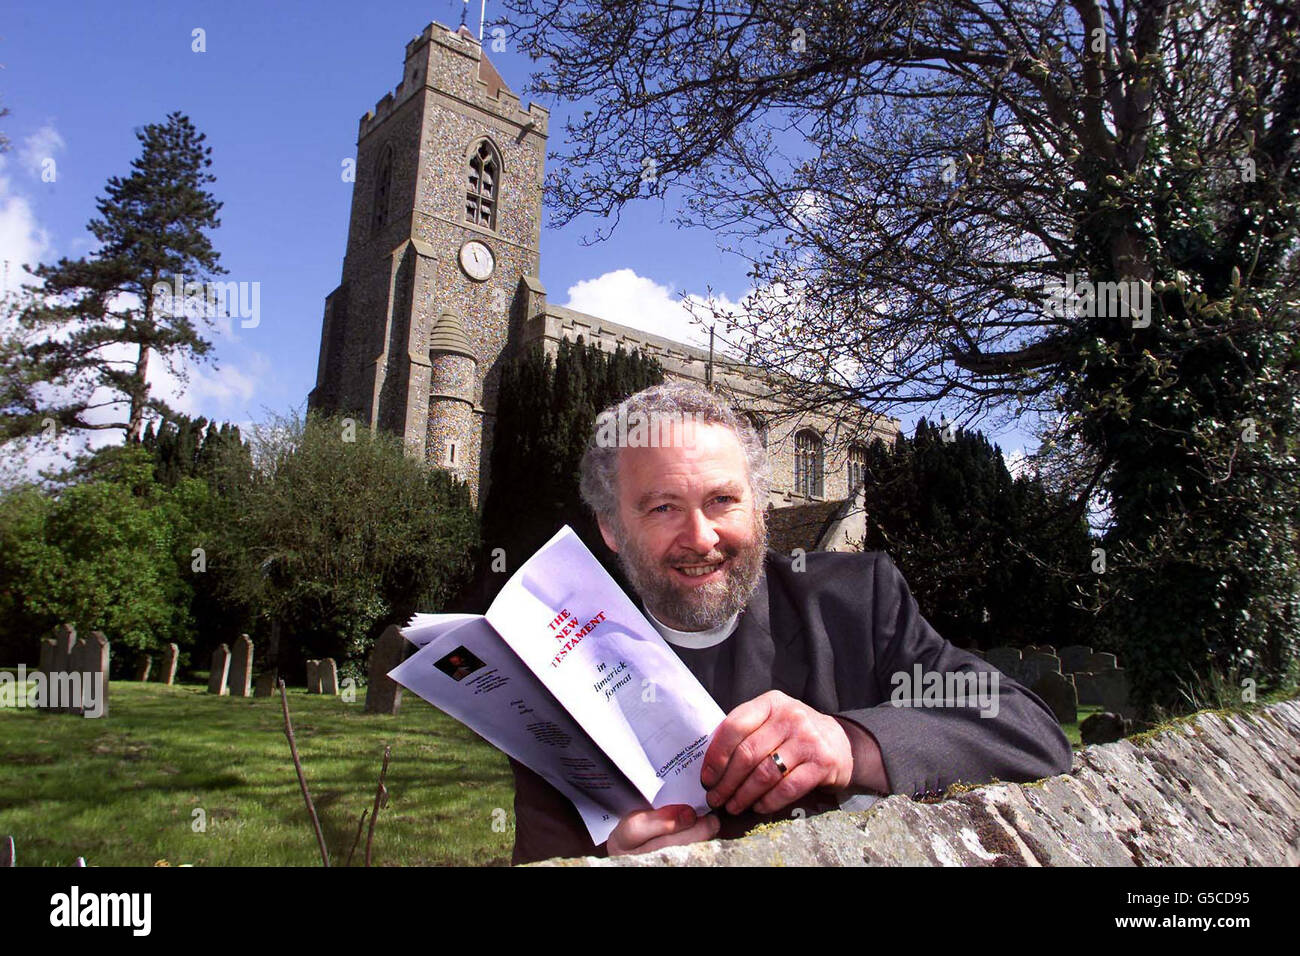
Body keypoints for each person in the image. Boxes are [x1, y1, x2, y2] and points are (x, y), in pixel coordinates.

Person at [509, 382, 1073, 864]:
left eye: (723, 499)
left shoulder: (856, 601)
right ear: (610, 528)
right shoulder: (555, 676)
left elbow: (1030, 734)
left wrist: (851, 743)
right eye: (663, 508)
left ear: (759, 505)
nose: (701, 537)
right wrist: (605, 862)